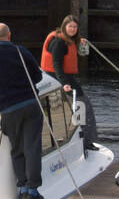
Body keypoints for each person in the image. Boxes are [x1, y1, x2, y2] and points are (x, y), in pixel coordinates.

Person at [0, 23, 45, 199]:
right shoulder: (21, 51)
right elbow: (37, 77)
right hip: (31, 104)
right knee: (32, 147)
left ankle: (22, 186)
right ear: (9, 35)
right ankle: (32, 190)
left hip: (8, 109)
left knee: (17, 148)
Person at [41, 15, 98, 151]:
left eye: (75, 27)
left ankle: (82, 140)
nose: (72, 29)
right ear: (64, 26)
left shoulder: (68, 40)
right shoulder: (58, 42)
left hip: (61, 77)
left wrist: (80, 42)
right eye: (70, 26)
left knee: (75, 107)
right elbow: (57, 64)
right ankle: (86, 141)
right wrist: (65, 83)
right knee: (83, 105)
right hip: (60, 78)